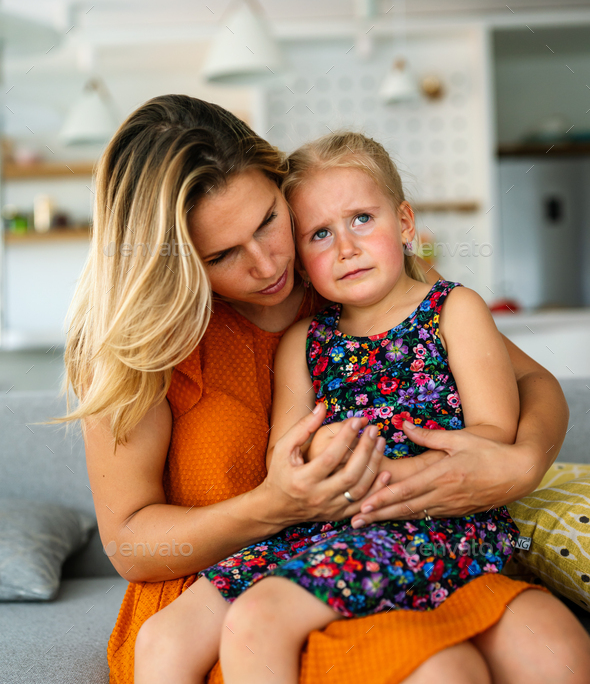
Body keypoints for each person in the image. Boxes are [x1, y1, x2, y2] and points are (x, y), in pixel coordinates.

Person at [64, 96, 590, 684]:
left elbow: (532, 383)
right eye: (222, 254)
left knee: (496, 654)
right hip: (235, 577)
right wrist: (275, 505)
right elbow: (131, 544)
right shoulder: (140, 347)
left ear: (279, 186)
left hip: (392, 542)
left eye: (268, 221)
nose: (266, 266)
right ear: (173, 261)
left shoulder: (369, 284)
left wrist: (519, 464)